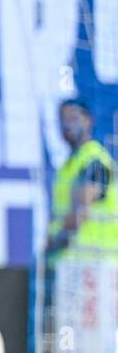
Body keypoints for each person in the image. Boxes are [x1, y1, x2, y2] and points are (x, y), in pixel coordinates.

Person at [46, 99, 116, 259]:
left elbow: (80, 213)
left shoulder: (93, 160)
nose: (66, 125)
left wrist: (52, 245)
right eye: (62, 119)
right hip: (73, 260)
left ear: (88, 121)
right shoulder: (68, 166)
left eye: (73, 118)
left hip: (94, 260)